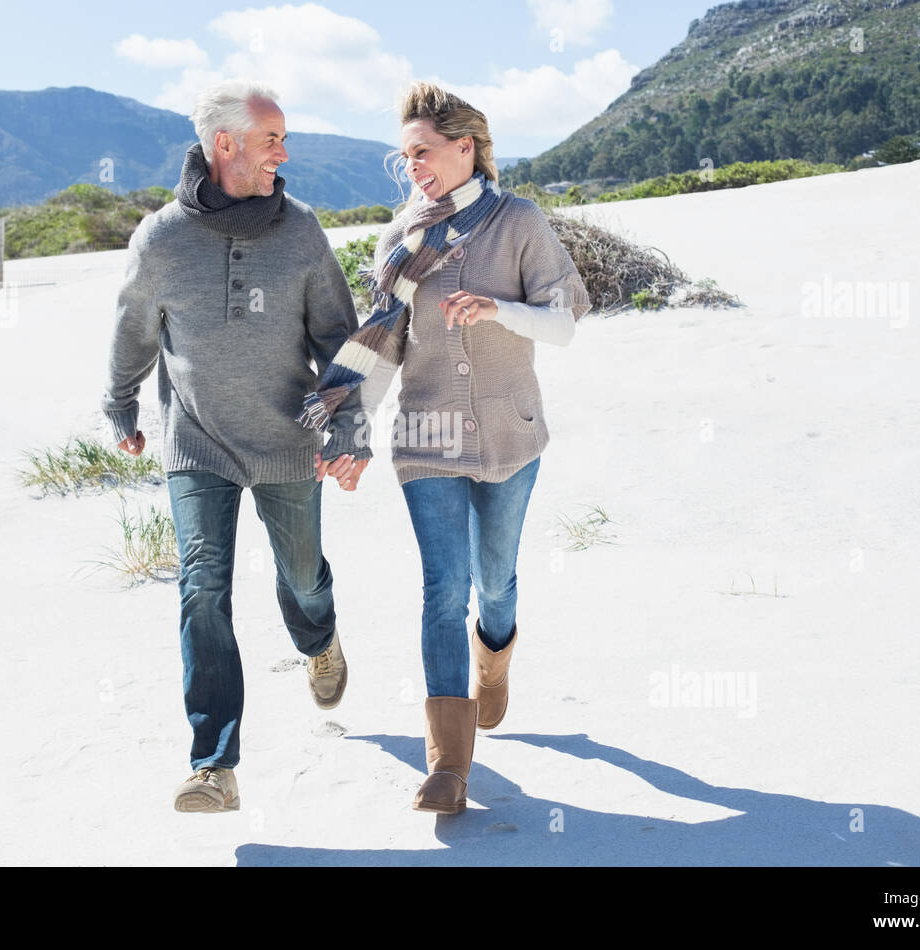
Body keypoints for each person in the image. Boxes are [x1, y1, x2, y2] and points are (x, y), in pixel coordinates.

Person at [299, 82, 591, 813]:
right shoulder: (399, 239)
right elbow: (382, 348)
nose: (414, 168)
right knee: (442, 591)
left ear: (468, 146)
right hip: (425, 437)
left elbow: (563, 321)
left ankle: (495, 659)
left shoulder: (518, 222)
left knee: (495, 585)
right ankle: (448, 765)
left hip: (509, 434)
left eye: (424, 152)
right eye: (406, 158)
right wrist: (349, 432)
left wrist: (501, 310)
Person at [102, 80, 370, 813]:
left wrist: (347, 427)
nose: (285, 152)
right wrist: (120, 402)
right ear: (224, 146)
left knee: (303, 576)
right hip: (198, 442)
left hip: (288, 440)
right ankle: (212, 764)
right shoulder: (161, 238)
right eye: (271, 139)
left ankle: (318, 639)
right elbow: (134, 327)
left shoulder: (303, 231)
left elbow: (338, 341)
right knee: (201, 587)